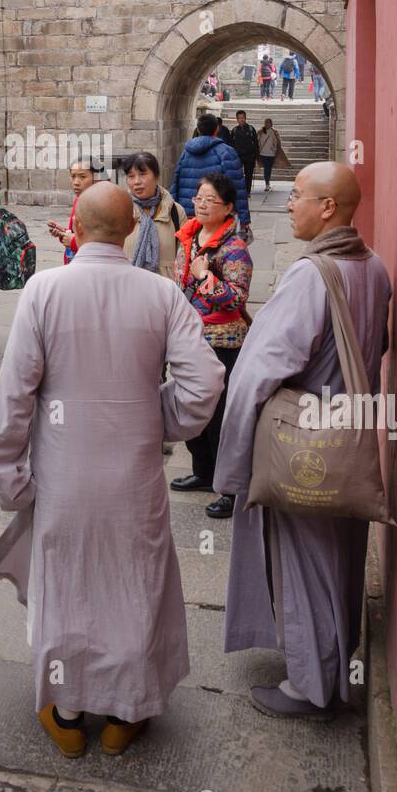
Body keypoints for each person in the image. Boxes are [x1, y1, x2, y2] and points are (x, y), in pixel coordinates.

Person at [0, 183, 225, 757]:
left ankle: (66, 714)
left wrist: (10, 475)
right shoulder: (161, 294)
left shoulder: (44, 290)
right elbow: (206, 382)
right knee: (132, 584)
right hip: (135, 476)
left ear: (79, 228)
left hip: (63, 477)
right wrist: (158, 417)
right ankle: (123, 714)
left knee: (68, 585)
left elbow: (15, 395)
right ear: (131, 231)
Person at [214, 163, 391, 721]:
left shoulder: (310, 275)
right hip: (352, 439)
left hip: (305, 446)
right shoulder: (376, 267)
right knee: (340, 558)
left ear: (329, 208)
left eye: (296, 196)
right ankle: (334, 669)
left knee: (304, 561)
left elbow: (257, 371)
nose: (288, 205)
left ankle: (309, 688)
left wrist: (234, 459)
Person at [170, 172, 252, 516]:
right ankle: (203, 471)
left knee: (220, 417)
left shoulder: (235, 248)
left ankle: (229, 488)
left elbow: (235, 299)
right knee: (190, 408)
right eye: (198, 198)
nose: (201, 205)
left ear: (228, 207)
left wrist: (206, 278)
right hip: (188, 335)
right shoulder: (189, 237)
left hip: (222, 341)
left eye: (210, 200)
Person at [171, 114, 252, 240]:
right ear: (217, 129)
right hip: (217, 216)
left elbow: (175, 181)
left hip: (188, 215)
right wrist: (244, 218)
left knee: (191, 252)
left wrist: (173, 210)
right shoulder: (226, 152)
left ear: (198, 130)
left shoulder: (186, 152)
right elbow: (237, 187)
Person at [122, 152, 185, 280]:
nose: (137, 182)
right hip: (127, 289)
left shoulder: (175, 212)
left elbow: (183, 257)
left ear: (156, 176)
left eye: (142, 174)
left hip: (166, 291)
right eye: (131, 176)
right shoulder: (121, 210)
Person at [46, 158, 103, 263]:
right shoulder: (79, 199)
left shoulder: (100, 204)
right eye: (73, 176)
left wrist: (72, 241)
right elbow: (78, 233)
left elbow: (100, 245)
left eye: (82, 177)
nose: (76, 182)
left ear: (96, 178)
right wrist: (63, 233)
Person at [231, 110, 259, 197]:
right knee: (238, 174)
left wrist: (256, 156)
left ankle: (247, 191)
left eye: (242, 117)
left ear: (245, 118)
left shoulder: (251, 129)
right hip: (238, 156)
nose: (241, 120)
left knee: (249, 174)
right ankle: (239, 190)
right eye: (239, 118)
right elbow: (231, 144)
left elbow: (256, 143)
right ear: (237, 119)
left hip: (249, 156)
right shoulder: (234, 130)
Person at [257, 118, 288, 192]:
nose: (267, 124)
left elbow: (277, 142)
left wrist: (274, 149)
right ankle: (267, 184)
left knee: (269, 169)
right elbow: (257, 141)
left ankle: (267, 182)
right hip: (263, 153)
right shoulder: (260, 131)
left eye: (269, 123)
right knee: (266, 168)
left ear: (271, 124)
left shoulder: (274, 132)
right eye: (266, 123)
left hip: (271, 154)